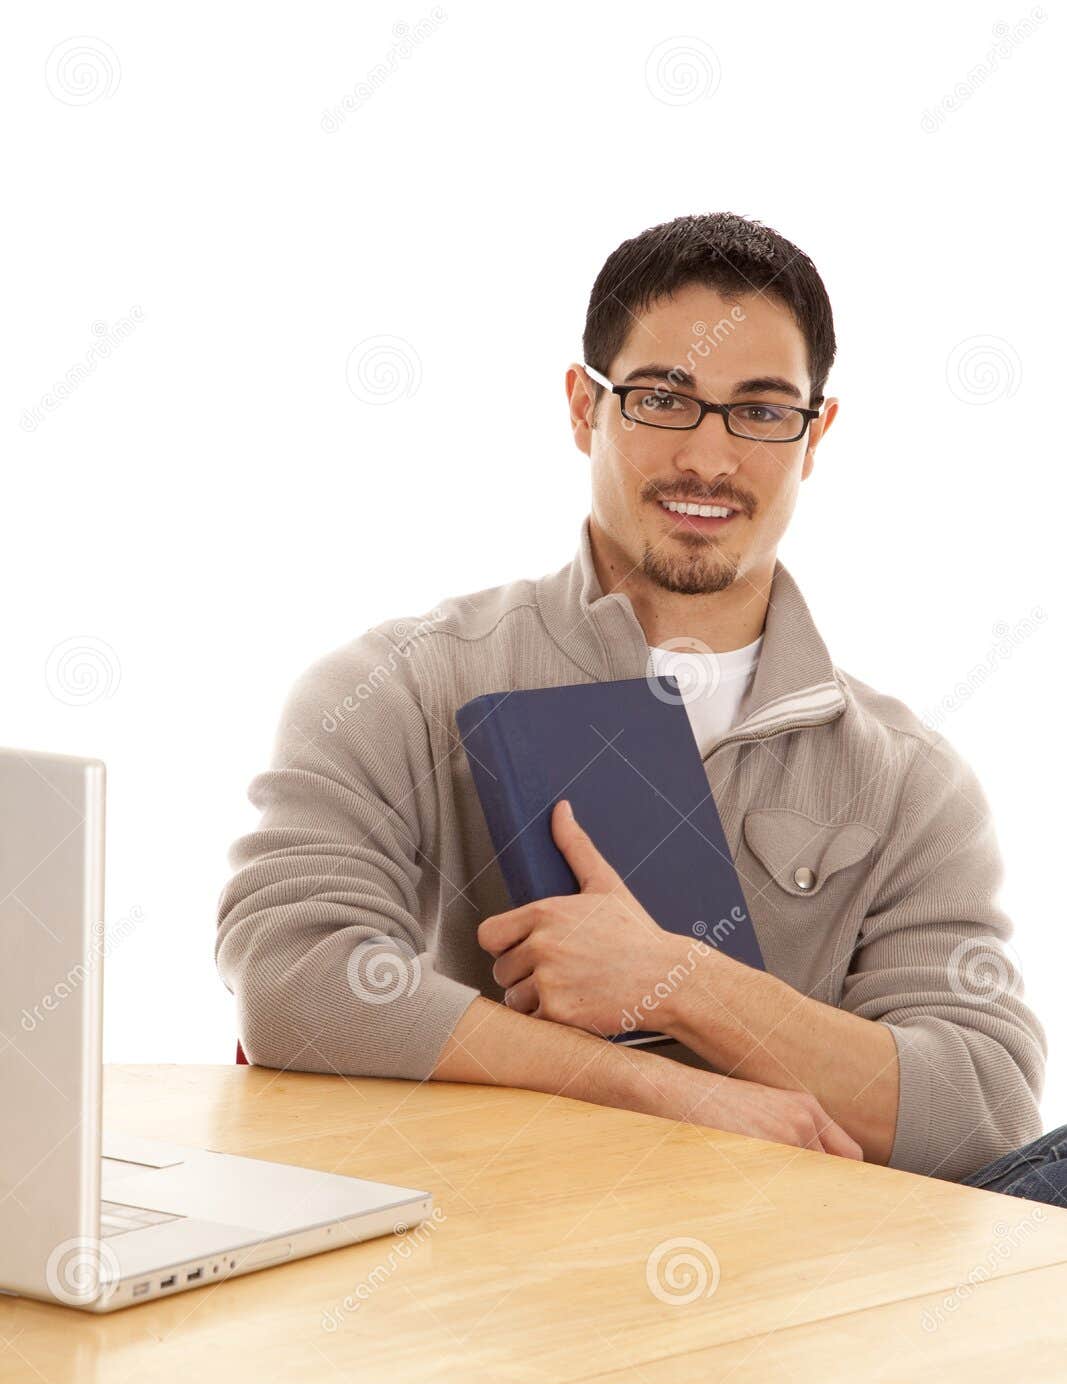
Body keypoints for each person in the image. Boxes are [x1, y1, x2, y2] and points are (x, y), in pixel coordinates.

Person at [216, 210, 1053, 1197]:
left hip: (803, 1292)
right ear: (583, 407)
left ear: (813, 434)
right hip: (493, 1264)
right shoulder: (402, 682)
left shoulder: (905, 778)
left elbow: (982, 1111)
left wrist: (677, 980)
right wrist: (652, 1088)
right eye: (664, 399)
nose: (709, 457)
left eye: (760, 409)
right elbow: (290, 978)